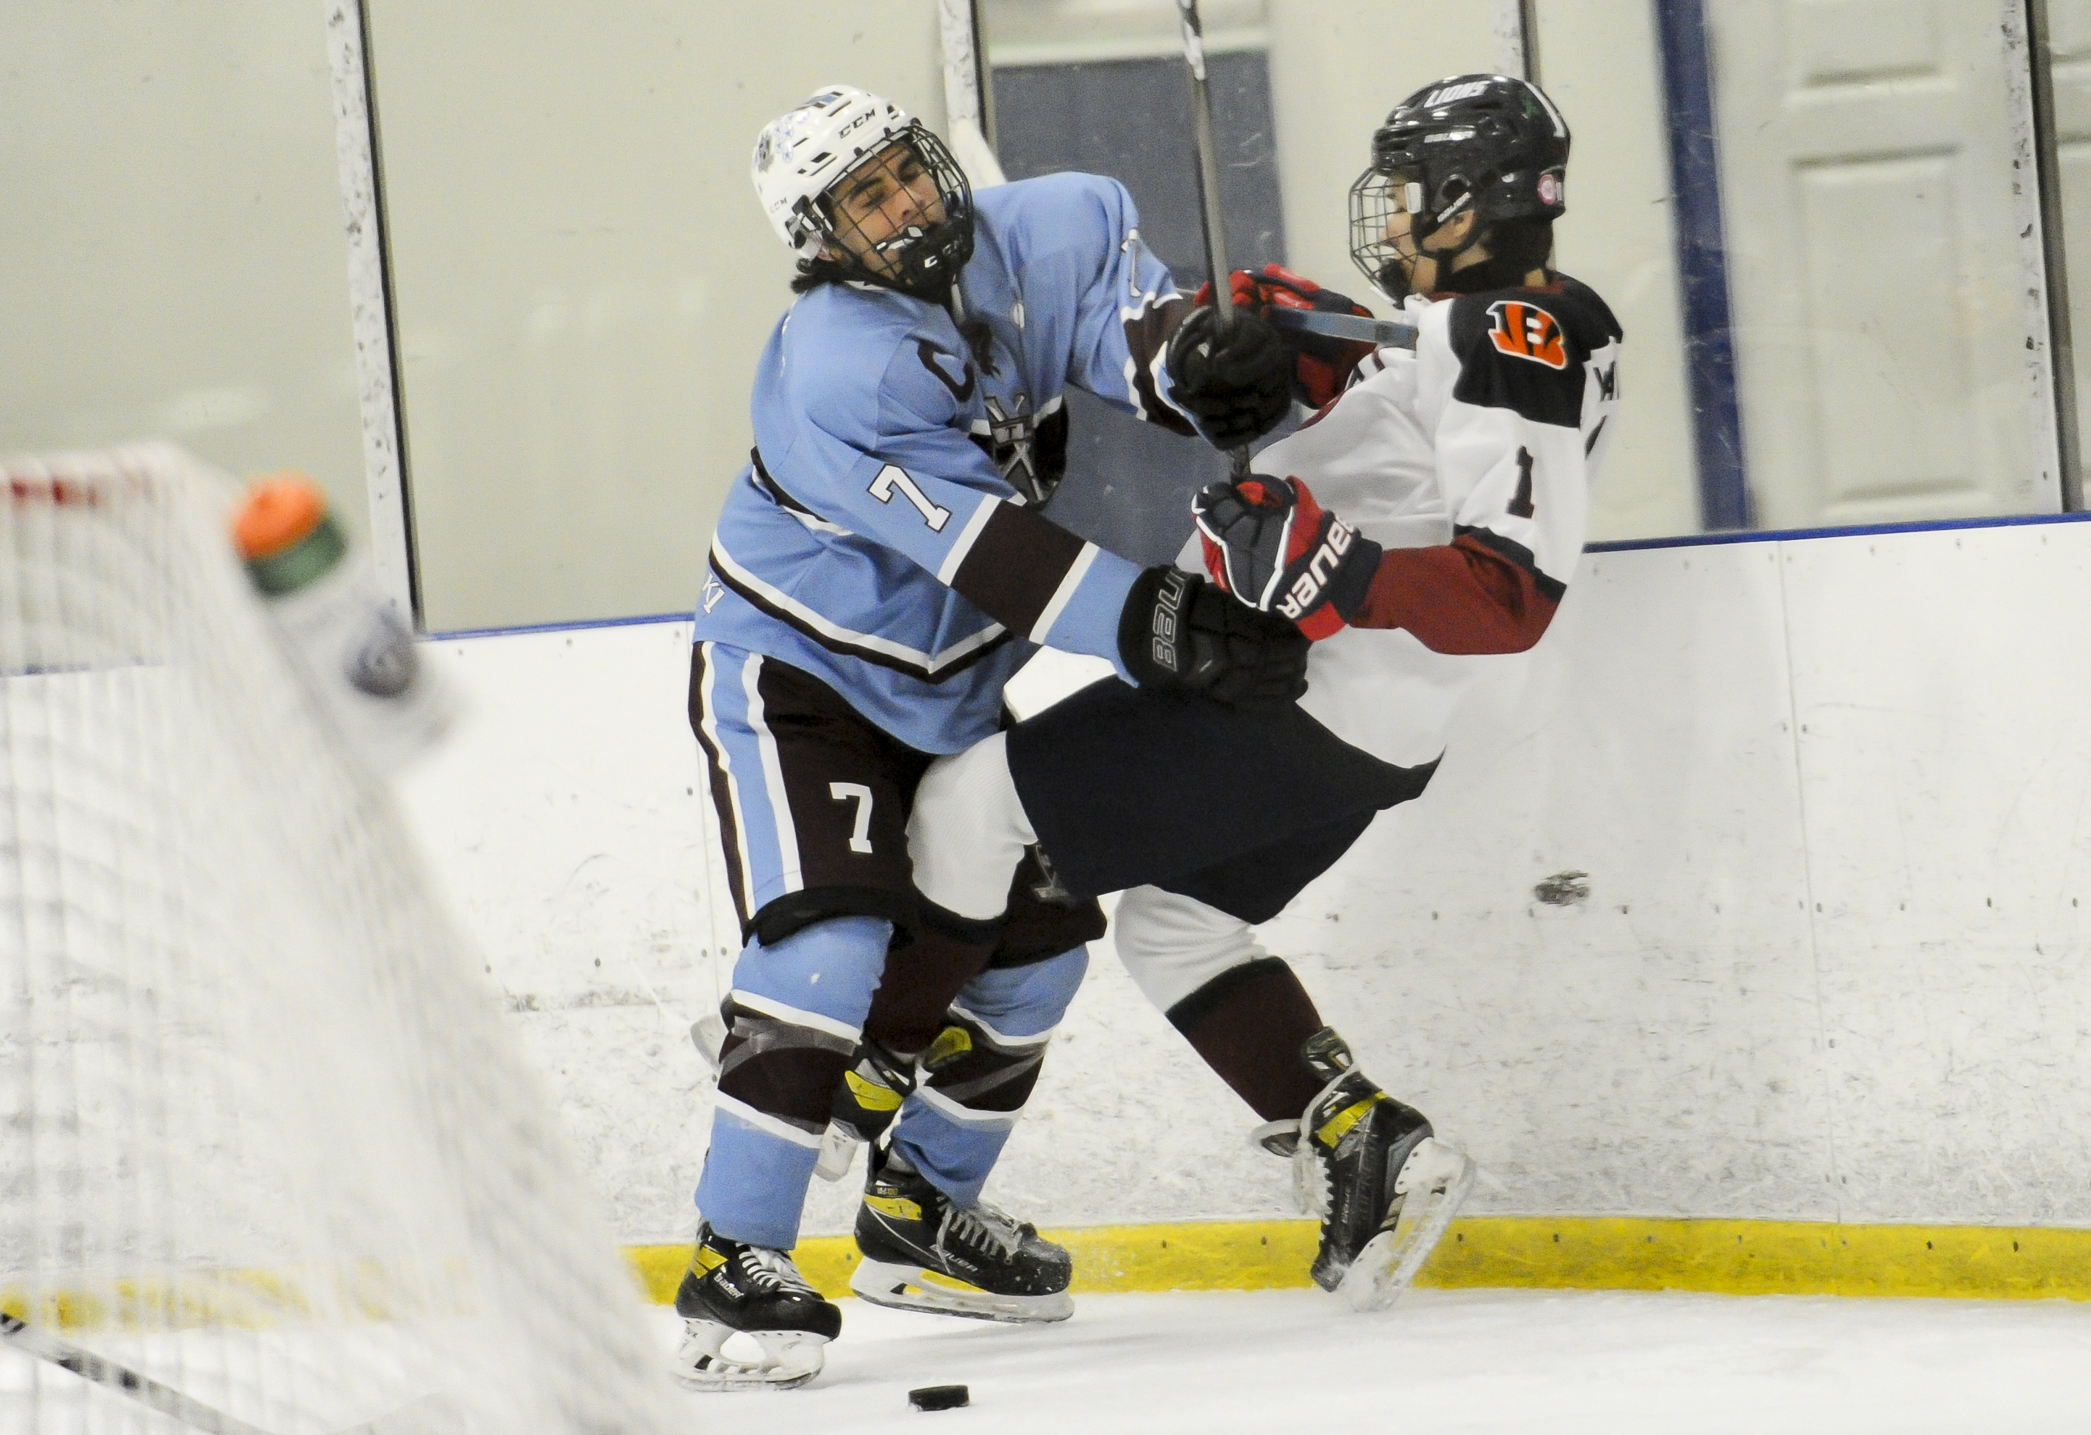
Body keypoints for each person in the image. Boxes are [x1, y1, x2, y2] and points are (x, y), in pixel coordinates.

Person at [889, 72, 1623, 1310]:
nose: (1388, 220)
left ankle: (867, 1059)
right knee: (1176, 922)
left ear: (1467, 200)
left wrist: (1334, 566)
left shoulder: (1506, 329)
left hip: (1304, 697)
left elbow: (1516, 592)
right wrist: (1302, 348)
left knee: (971, 804)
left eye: (1405, 196)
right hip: (1369, 730)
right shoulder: (1503, 326)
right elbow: (1409, 436)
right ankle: (1361, 1141)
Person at [670, 84, 1305, 1389]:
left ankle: (920, 1217)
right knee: (827, 937)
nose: (904, 200)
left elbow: (1135, 341)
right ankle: (732, 1264)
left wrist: (1202, 362)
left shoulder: (1061, 222)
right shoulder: (837, 362)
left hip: (954, 688)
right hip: (807, 678)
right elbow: (993, 550)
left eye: (905, 168)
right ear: (823, 236)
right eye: (866, 197)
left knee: (1033, 963)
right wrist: (1159, 622)